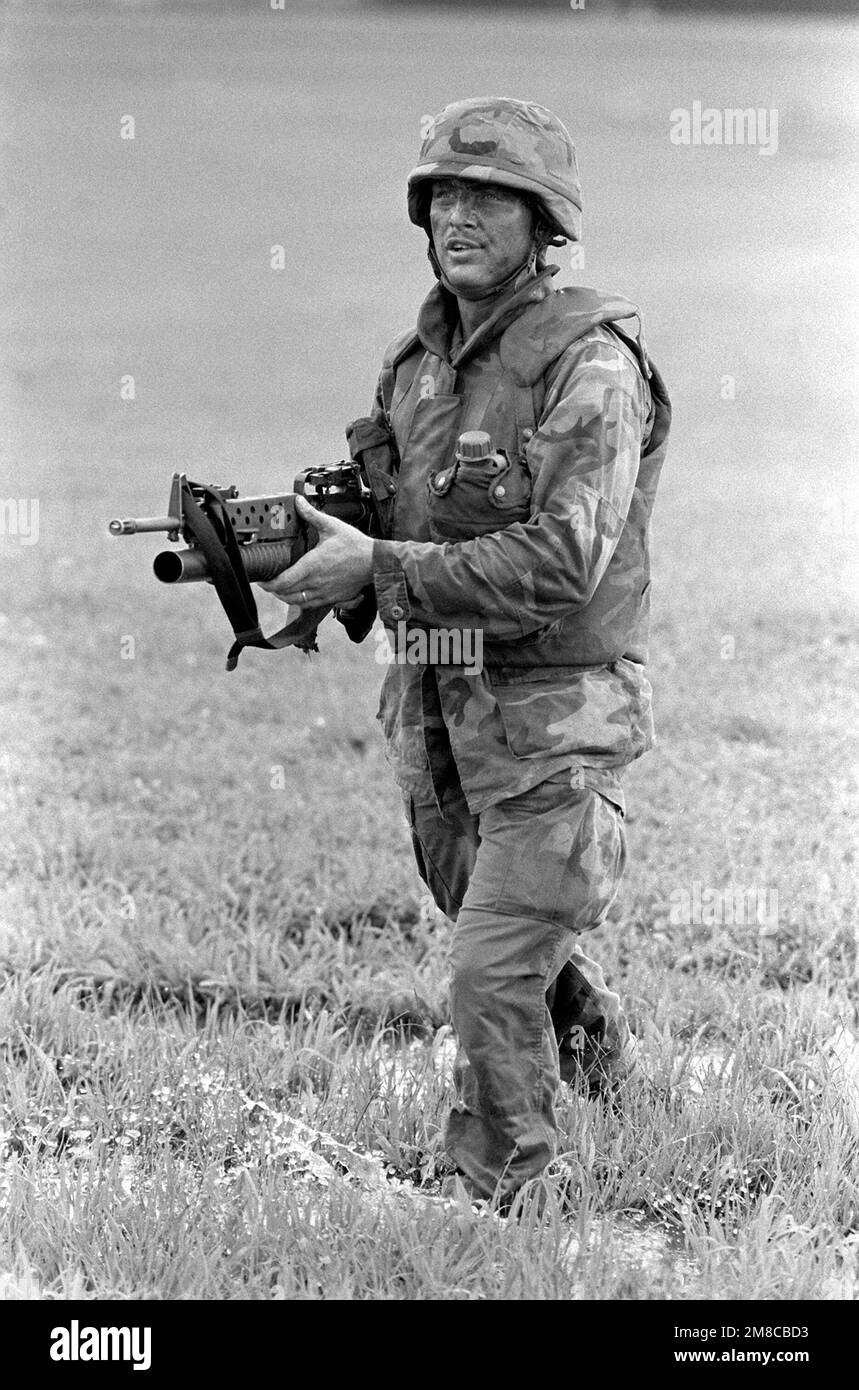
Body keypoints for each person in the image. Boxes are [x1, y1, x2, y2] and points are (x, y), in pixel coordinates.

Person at [262, 97, 671, 1205]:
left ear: (545, 224)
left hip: (556, 719)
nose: (457, 214)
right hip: (440, 712)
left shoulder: (589, 365)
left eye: (487, 196)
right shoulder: (418, 363)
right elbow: (398, 520)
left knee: (489, 969)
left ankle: (498, 1198)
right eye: (440, 194)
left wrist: (376, 568)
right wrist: (298, 553)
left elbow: (559, 564)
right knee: (490, 924)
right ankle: (593, 1046)